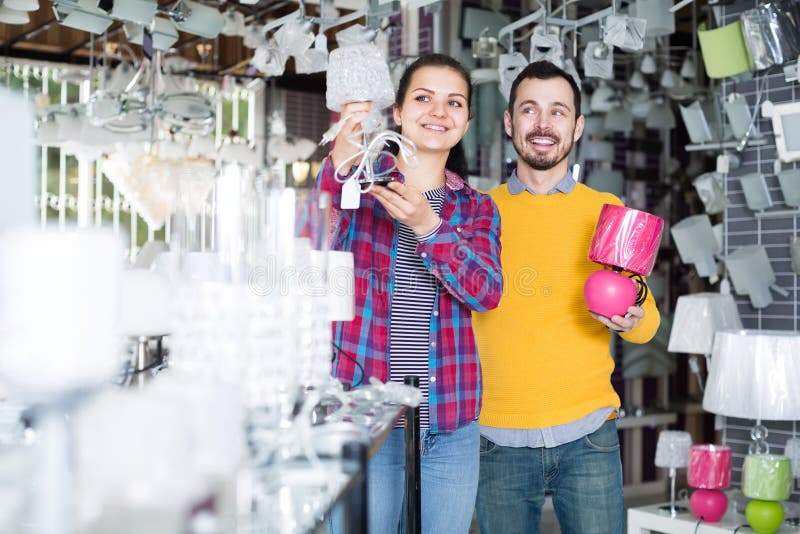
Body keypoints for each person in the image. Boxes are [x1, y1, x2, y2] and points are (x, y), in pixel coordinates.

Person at [316, 53, 503, 533]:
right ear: (397, 112)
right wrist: (343, 149)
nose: (439, 112)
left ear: (465, 121)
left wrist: (428, 226)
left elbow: (486, 292)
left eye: (454, 102)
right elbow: (330, 195)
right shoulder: (364, 183)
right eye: (424, 98)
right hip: (366, 421)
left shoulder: (477, 208)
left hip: (448, 423)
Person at [472, 61, 660, 534]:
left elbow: (649, 322)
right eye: (530, 109)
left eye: (558, 112)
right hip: (497, 437)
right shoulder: (477, 213)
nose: (543, 123)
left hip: (588, 434)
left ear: (576, 126)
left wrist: (629, 318)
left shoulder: (606, 210)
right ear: (509, 122)